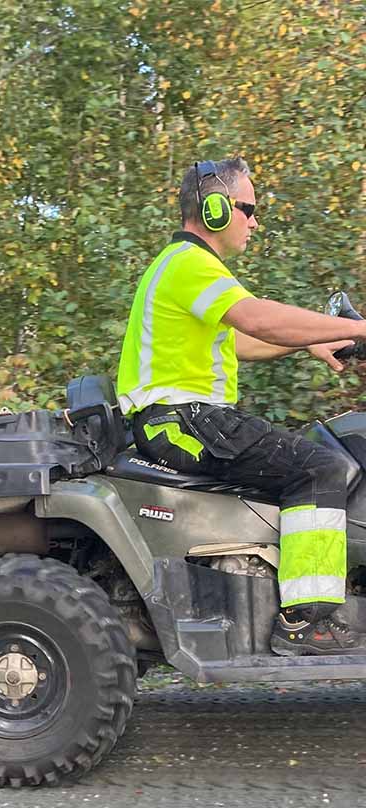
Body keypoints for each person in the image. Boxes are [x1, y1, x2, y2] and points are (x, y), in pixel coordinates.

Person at [116, 155, 366, 655]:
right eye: (247, 209)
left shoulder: (185, 268)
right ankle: (305, 620)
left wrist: (312, 342)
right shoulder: (189, 264)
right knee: (320, 468)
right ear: (213, 209)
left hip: (185, 419)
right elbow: (258, 319)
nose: (254, 221)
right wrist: (356, 327)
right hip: (184, 421)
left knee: (307, 458)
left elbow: (244, 341)